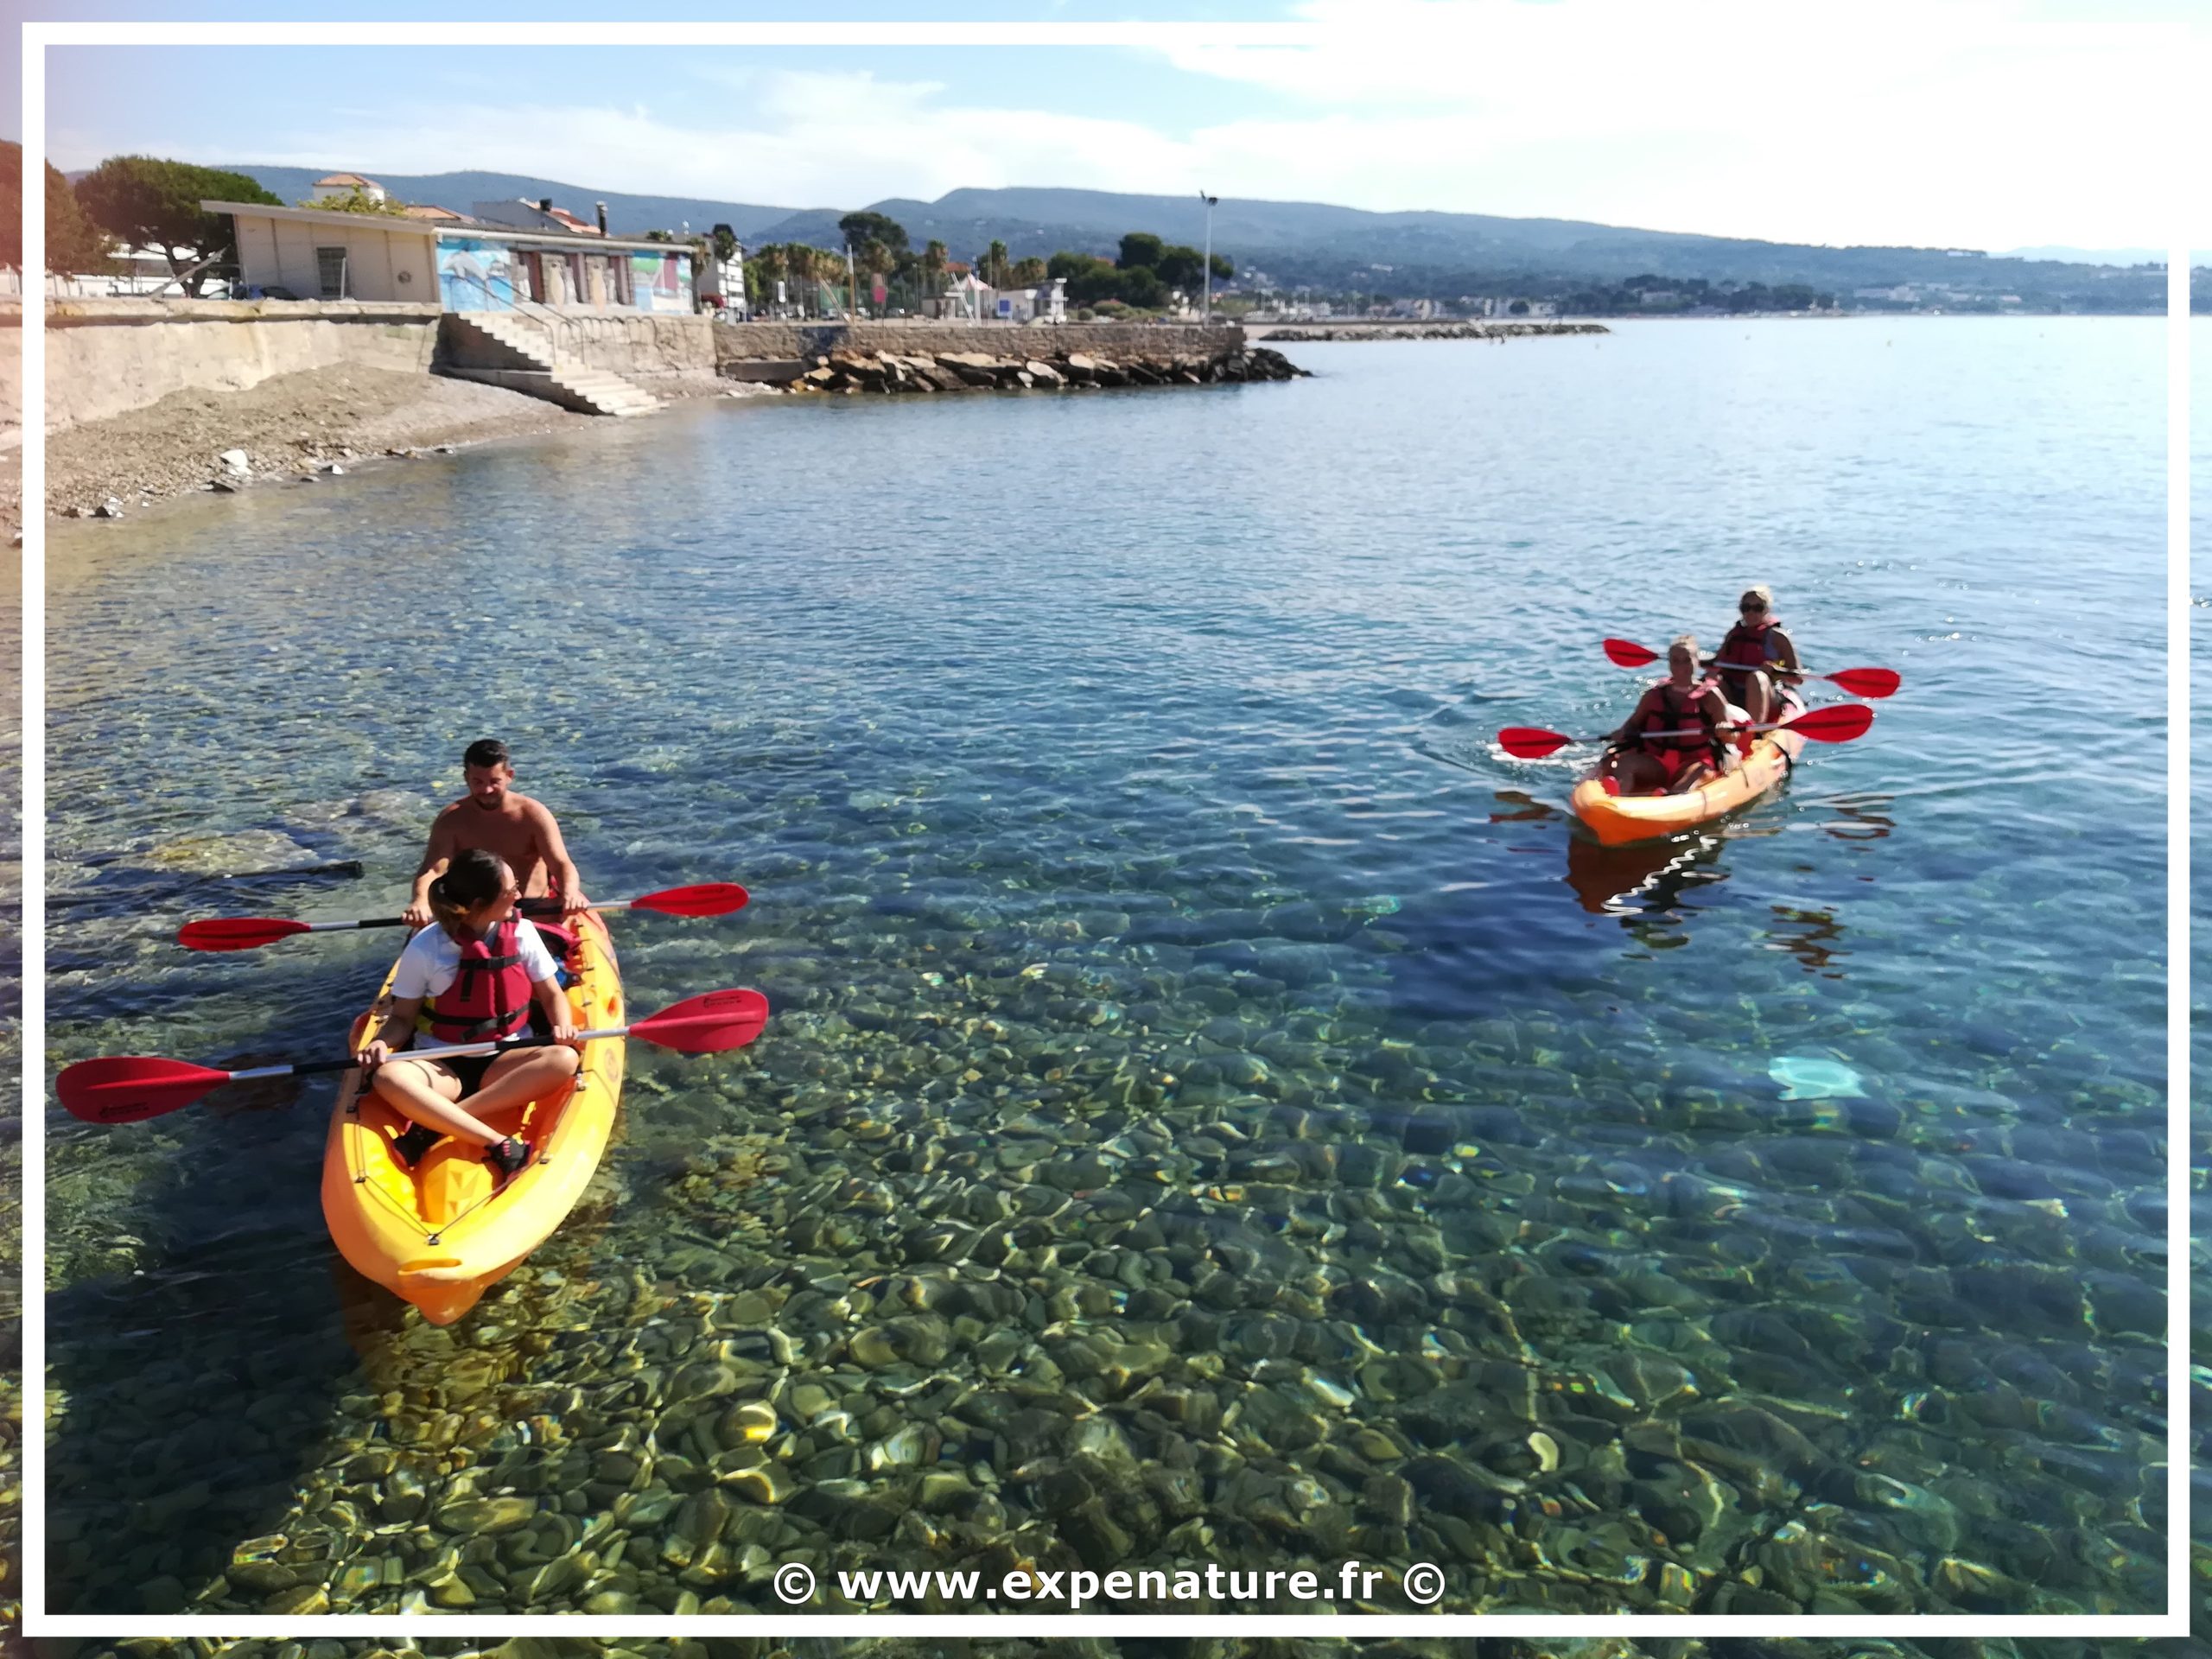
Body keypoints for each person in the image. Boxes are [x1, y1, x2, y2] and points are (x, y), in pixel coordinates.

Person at [359, 849, 581, 1180]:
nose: (519, 896)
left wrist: (562, 1025)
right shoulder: (426, 948)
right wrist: (381, 1042)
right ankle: (496, 1143)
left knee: (564, 1059)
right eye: (510, 892)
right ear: (479, 904)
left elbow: (551, 995)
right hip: (441, 1063)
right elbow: (403, 1019)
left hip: (504, 1060)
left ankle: (433, 1126)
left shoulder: (522, 934)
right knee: (388, 1077)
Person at [404, 739, 590, 929]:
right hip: (475, 912)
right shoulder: (451, 820)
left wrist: (571, 892)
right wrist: (420, 901)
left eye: (494, 781)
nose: (486, 790)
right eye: (478, 782)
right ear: (466, 777)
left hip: (531, 909)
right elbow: (434, 870)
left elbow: (560, 864)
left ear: (509, 776)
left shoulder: (533, 815)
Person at [1598, 634, 1740, 796]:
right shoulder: (1654, 695)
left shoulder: (1710, 695)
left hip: (1692, 763)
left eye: (1686, 660)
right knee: (1625, 764)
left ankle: (1671, 798)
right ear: (1669, 664)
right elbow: (1633, 724)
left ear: (1697, 662)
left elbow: (1732, 737)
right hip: (1656, 762)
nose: (1681, 666)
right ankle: (1616, 799)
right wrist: (1622, 732)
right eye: (1675, 660)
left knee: (1697, 773)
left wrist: (1725, 730)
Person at [1709, 584, 1803, 728]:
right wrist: (1694, 660)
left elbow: (1798, 678)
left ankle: (1753, 731)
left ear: (1766, 610)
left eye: (1757, 608)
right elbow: (1717, 663)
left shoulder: (1778, 638)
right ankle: (1717, 729)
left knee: (1756, 678)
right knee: (1713, 680)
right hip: (1734, 692)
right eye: (1746, 608)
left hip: (1766, 694)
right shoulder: (1733, 635)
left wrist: (1776, 670)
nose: (1751, 613)